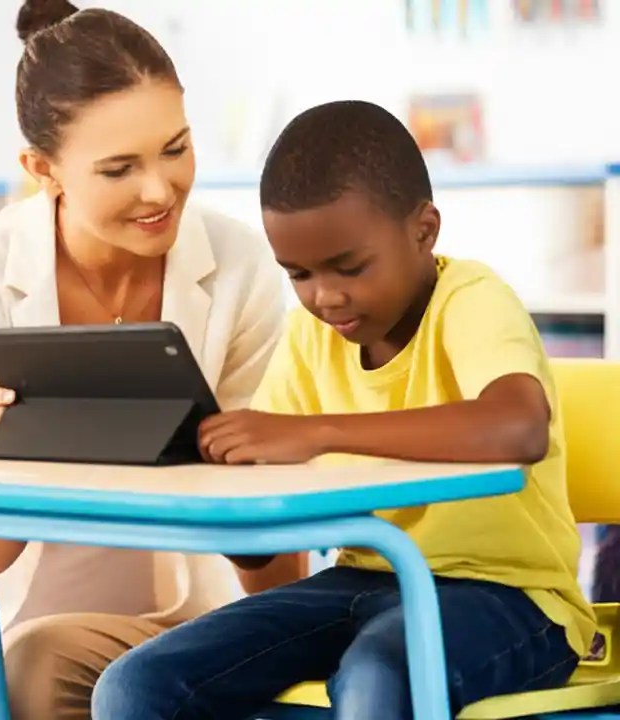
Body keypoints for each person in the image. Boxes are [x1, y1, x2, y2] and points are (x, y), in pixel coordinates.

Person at [0, 2, 305, 718]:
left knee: (55, 676)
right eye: (119, 168)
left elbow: (278, 573)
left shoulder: (241, 267)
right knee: (22, 678)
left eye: (176, 148)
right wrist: (10, 461)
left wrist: (240, 479)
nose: (159, 190)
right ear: (44, 171)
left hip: (176, 633)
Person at [92, 100, 596, 720]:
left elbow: (518, 427)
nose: (325, 297)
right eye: (298, 274)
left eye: (349, 267)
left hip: (512, 599)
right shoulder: (310, 337)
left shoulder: (472, 299)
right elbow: (263, 548)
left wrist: (315, 433)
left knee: (377, 674)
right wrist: (218, 486)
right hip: (359, 582)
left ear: (424, 229)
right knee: (135, 687)